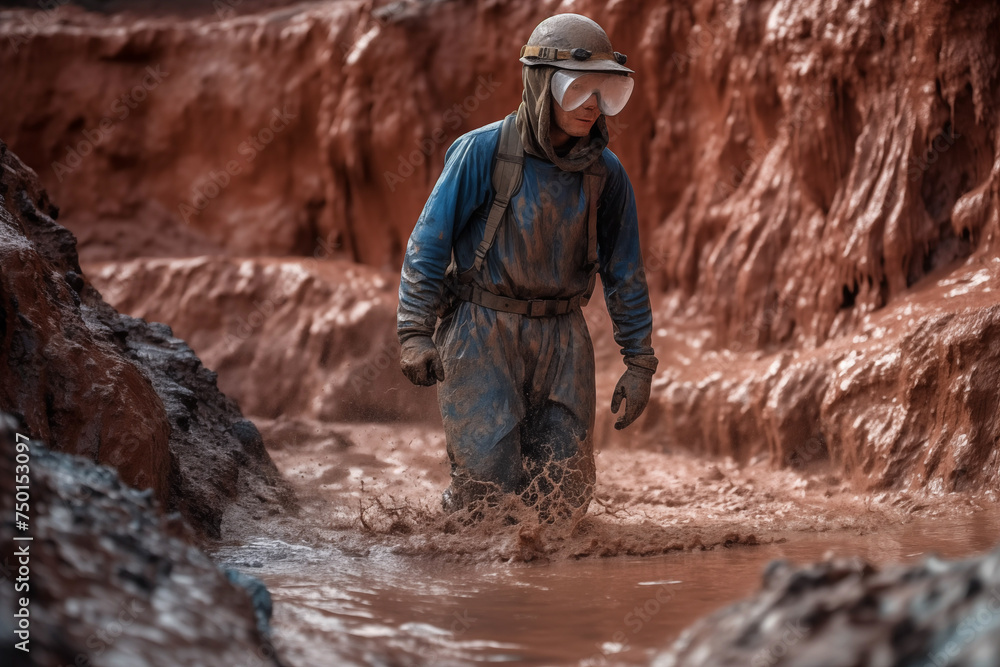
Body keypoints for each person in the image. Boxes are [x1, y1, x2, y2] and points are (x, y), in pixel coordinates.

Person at [396, 13, 657, 519]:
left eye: (605, 90)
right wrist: (414, 333)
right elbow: (427, 244)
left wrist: (640, 362)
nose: (592, 105)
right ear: (541, 86)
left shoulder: (606, 173)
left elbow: (625, 272)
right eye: (578, 89)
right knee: (484, 494)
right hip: (481, 332)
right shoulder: (483, 152)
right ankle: (463, 560)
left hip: (564, 340)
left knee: (563, 500)